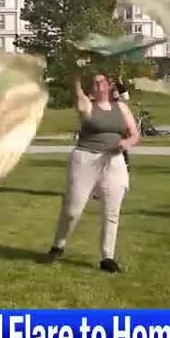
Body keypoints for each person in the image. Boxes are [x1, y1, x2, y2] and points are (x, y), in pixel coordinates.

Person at [47, 71, 141, 273]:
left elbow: (135, 134)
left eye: (102, 82)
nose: (99, 86)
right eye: (95, 84)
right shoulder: (87, 106)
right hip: (85, 159)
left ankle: (107, 257)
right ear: (91, 88)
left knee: (112, 212)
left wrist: (126, 143)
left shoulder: (121, 108)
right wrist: (75, 75)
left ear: (109, 85)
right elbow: (77, 93)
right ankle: (58, 245)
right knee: (72, 210)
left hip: (114, 160)